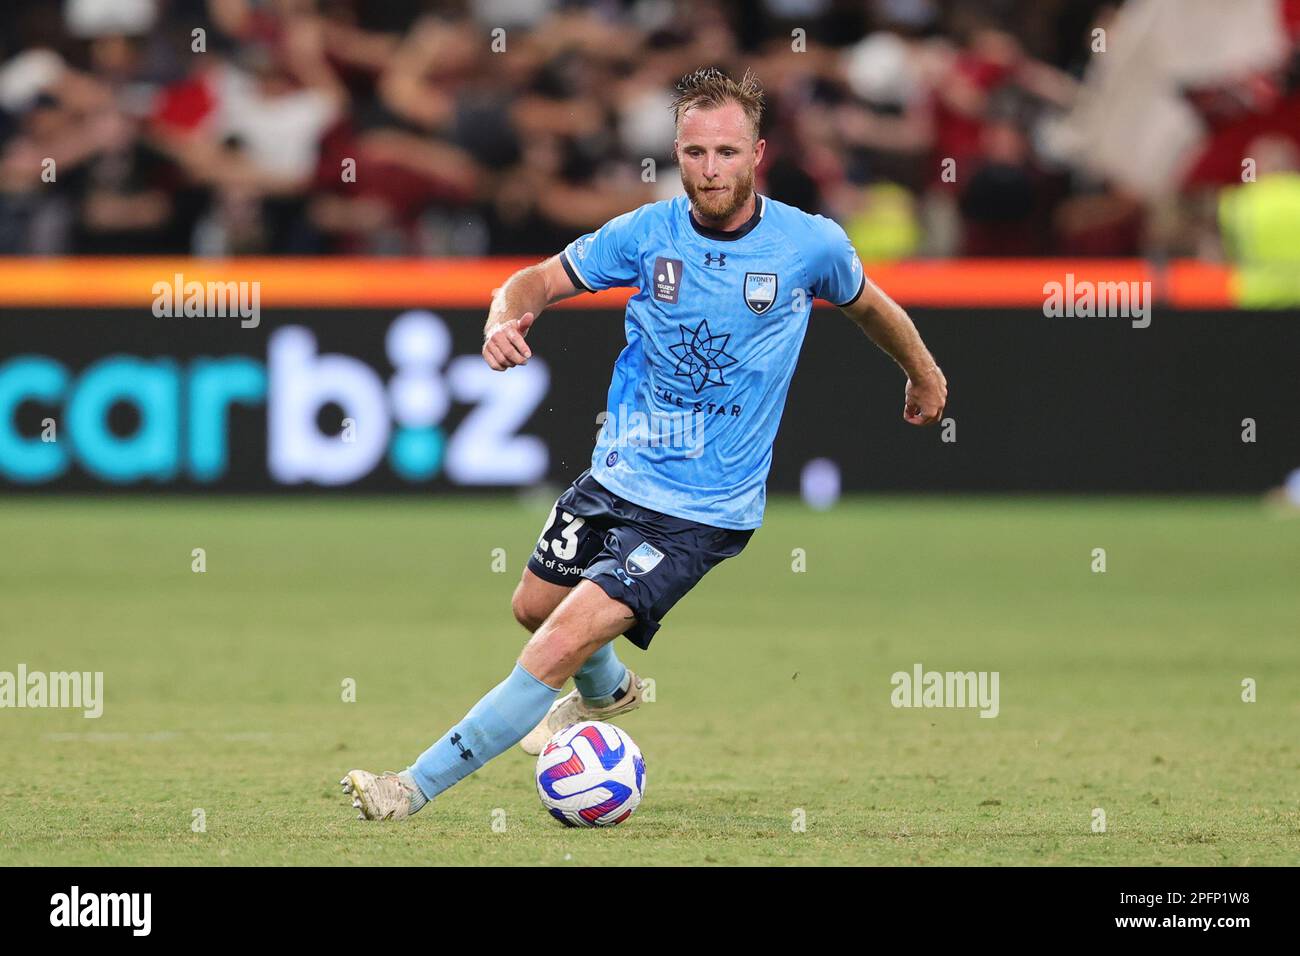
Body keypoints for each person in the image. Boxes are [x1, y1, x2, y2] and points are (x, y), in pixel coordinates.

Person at [342, 67, 947, 821]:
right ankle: (608, 692)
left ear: (758, 153)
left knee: (556, 641)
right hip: (618, 473)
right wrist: (504, 319)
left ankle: (410, 787)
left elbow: (871, 307)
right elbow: (535, 280)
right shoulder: (645, 233)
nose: (710, 169)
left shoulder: (808, 244)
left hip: (702, 509)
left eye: (727, 152)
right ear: (677, 151)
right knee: (533, 605)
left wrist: (923, 374)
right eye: (695, 153)